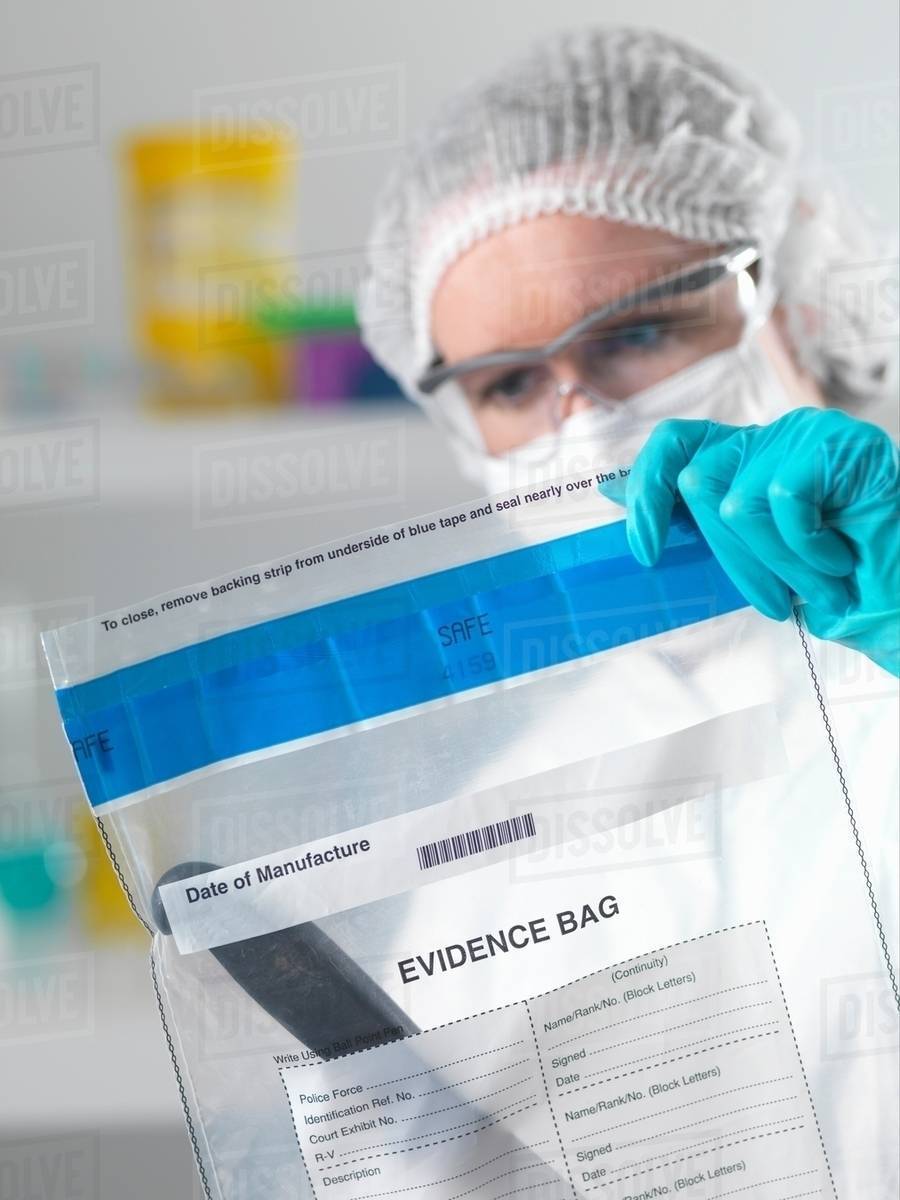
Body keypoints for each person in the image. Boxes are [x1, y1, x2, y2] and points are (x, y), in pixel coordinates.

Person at [358, 26, 899, 675]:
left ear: (794, 307)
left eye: (639, 333)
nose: (594, 433)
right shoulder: (546, 770)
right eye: (508, 385)